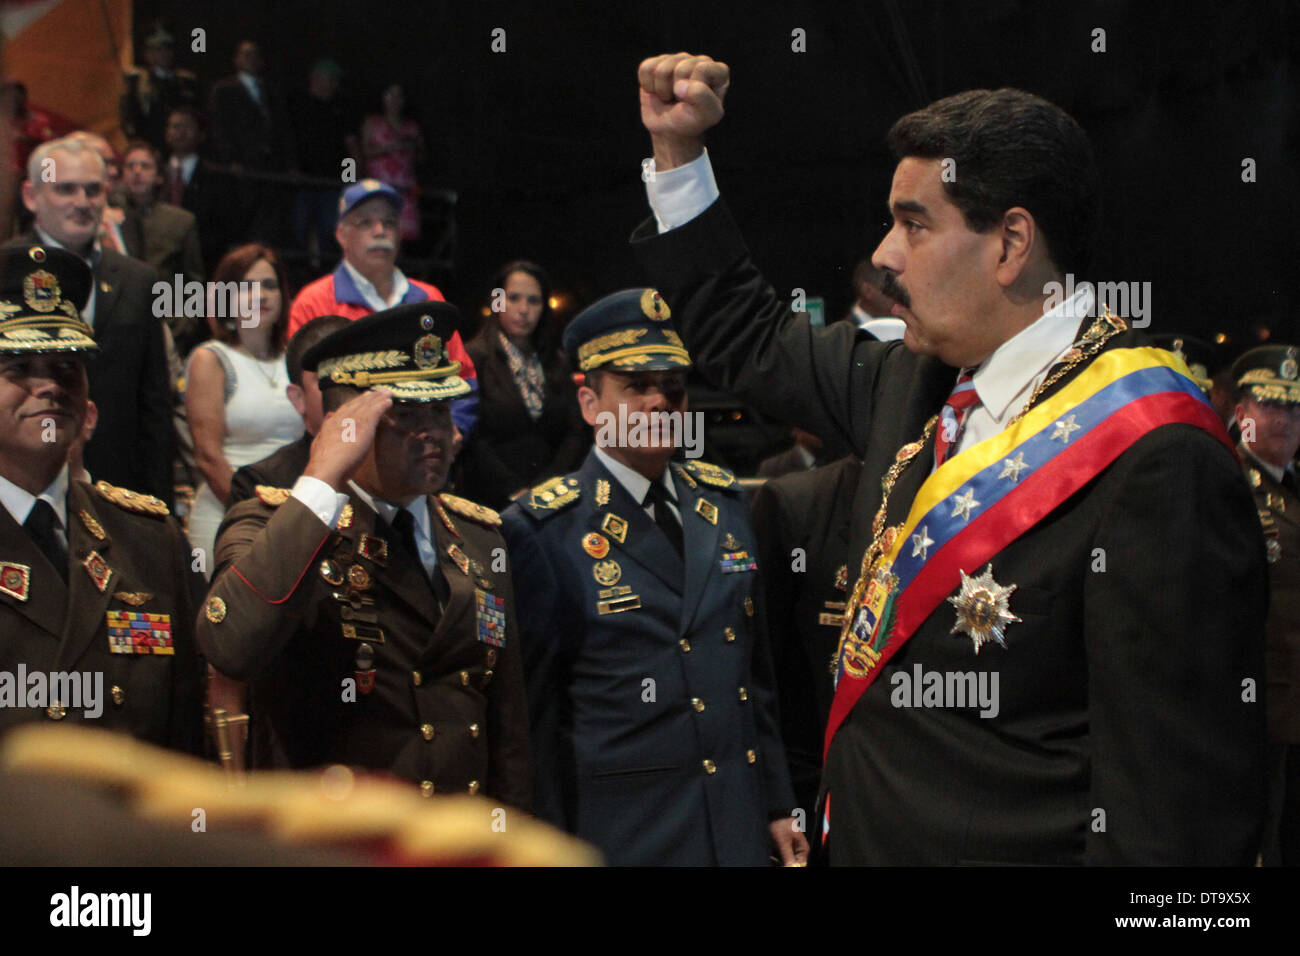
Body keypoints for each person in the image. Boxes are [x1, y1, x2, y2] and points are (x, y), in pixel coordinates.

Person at [630, 53, 1267, 864]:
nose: (886, 255)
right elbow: (746, 336)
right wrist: (678, 152)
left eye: (914, 223)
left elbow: (1179, 815)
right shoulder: (913, 380)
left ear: (1010, 243)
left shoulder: (1159, 457)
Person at [500, 288, 803, 866]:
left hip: (734, 825)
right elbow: (530, 725)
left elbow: (752, 680)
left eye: (672, 387)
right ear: (590, 405)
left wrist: (776, 804)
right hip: (626, 835)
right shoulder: (543, 531)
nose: (661, 402)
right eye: (637, 386)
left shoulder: (725, 504)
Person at [196, 302, 531, 807]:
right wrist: (320, 481)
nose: (435, 433)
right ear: (341, 425)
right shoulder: (276, 522)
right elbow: (229, 646)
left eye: (440, 411)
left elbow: (507, 726)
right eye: (404, 415)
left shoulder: (479, 538)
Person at [0, 243, 202, 751]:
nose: (50, 385)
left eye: (69, 365)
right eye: (20, 367)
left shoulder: (148, 541)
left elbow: (184, 750)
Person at [12, 136, 174, 508]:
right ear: (31, 195)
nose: (82, 203)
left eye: (92, 190)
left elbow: (154, 409)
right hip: (19, 488)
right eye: (65, 189)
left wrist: (159, 507)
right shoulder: (4, 273)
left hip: (118, 489)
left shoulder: (138, 281)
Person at [287, 179, 478, 433]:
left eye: (388, 222)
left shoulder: (429, 298)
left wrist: (454, 431)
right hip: (348, 454)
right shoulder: (313, 302)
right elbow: (307, 393)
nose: (380, 231)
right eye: (365, 222)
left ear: (399, 234)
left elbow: (465, 377)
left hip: (426, 452)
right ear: (341, 235)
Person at [750, 454, 862, 818]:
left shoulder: (959, 496)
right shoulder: (796, 504)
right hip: (813, 775)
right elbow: (761, 666)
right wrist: (777, 801)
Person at [184, 244, 303, 574]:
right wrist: (256, 513)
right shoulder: (211, 358)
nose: (261, 296)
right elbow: (208, 457)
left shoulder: (296, 358)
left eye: (270, 285)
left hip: (293, 516)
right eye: (247, 287)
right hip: (228, 513)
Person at [1232, 345, 1300, 866]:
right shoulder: (1224, 482)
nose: (1284, 420)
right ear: (1242, 415)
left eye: (1295, 408)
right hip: (1255, 712)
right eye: (1270, 405)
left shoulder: (1292, 488)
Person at [459, 261, 586, 510]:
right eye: (514, 298)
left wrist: (547, 486)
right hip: (489, 499)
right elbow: (472, 437)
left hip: (551, 496)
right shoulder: (473, 358)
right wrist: (515, 491)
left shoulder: (557, 361)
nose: (523, 309)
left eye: (534, 301)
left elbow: (575, 431)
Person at [228, 313, 350, 505]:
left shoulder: (398, 468)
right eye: (329, 379)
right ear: (298, 398)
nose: (348, 390)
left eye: (359, 376)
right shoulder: (260, 482)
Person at [292, 59, 360, 264]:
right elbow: (288, 140)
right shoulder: (298, 105)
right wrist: (292, 168)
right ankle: (297, 277)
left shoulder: (341, 108)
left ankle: (326, 280)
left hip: (332, 183)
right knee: (299, 232)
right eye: (329, 79)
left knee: (329, 234)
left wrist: (350, 177)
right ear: (315, 79)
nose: (333, 84)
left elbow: (351, 146)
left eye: (335, 80)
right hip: (302, 182)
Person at [119, 140, 205, 290]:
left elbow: (194, 281)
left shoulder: (180, 221)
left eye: (145, 166)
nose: (137, 171)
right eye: (130, 166)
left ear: (159, 176)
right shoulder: (111, 217)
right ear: (123, 176)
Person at [119, 25, 199, 154]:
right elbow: (129, 116)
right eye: (157, 50)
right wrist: (137, 141)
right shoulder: (137, 82)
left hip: (181, 146)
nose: (163, 54)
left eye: (166, 49)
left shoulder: (185, 81)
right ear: (147, 54)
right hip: (150, 145)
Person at [361, 83, 424, 242]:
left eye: (399, 97)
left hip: (405, 189)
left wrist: (412, 149)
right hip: (380, 188)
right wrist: (389, 148)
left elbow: (421, 157)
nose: (394, 101)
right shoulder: (373, 122)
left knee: (400, 236)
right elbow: (364, 152)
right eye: (390, 96)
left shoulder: (411, 127)